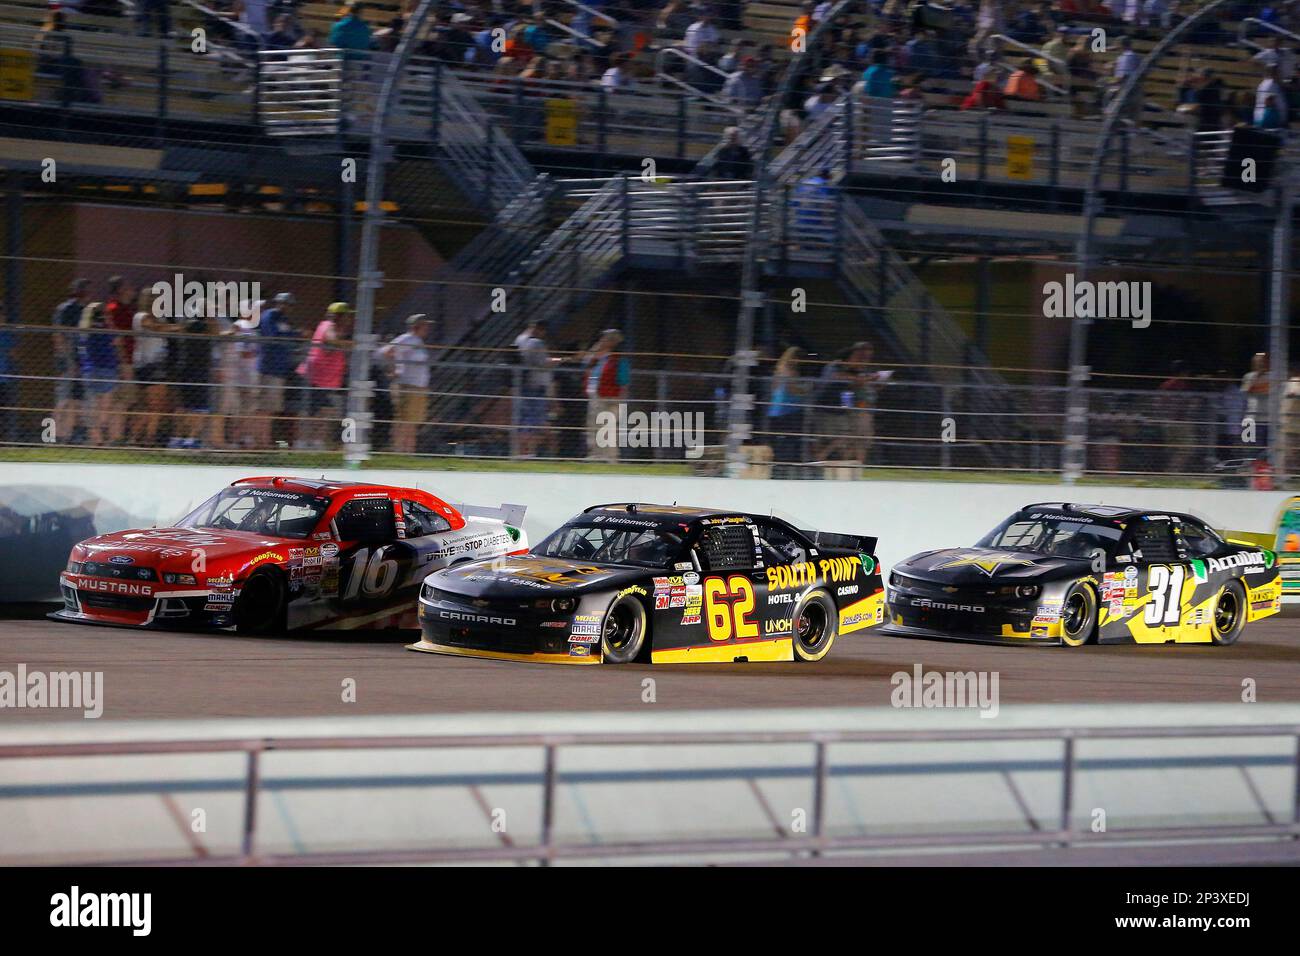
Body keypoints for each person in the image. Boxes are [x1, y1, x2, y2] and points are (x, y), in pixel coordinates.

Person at [297, 302, 352, 450]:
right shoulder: (328, 325)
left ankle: (316, 442)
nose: (349, 319)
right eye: (346, 316)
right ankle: (304, 442)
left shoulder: (335, 327)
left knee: (325, 411)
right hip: (318, 377)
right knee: (313, 412)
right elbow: (331, 339)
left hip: (328, 379)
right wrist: (352, 344)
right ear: (339, 316)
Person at [377, 313, 433, 454]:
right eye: (425, 325)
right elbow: (386, 352)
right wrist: (393, 369)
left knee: (412, 422)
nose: (428, 328)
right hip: (407, 386)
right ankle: (398, 451)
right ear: (417, 326)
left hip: (418, 387)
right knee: (404, 421)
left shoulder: (418, 341)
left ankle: (409, 452)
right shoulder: (407, 338)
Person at [256, 292, 301, 448]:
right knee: (264, 407)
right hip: (269, 367)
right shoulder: (270, 316)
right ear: (278, 303)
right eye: (285, 304)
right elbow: (274, 335)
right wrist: (295, 334)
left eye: (290, 305)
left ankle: (264, 440)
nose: (288, 307)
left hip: (279, 370)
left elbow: (289, 339)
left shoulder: (284, 320)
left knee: (271, 408)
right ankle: (260, 441)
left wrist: (293, 335)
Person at [129, 285, 170, 447]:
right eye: (153, 298)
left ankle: (146, 436)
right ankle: (143, 437)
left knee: (157, 405)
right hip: (147, 365)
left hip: (159, 363)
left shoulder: (161, 318)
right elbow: (154, 327)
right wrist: (177, 328)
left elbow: (162, 328)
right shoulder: (141, 316)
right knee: (151, 405)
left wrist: (170, 327)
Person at [52, 278, 90, 444]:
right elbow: (59, 336)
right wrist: (69, 360)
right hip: (69, 360)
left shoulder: (82, 310)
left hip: (79, 360)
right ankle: (55, 435)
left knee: (75, 400)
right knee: (64, 399)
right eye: (85, 290)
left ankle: (67, 435)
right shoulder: (67, 309)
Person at [77, 302, 120, 447]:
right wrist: (109, 321)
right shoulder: (106, 328)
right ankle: (99, 436)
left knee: (92, 406)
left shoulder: (85, 328)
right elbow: (116, 341)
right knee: (104, 406)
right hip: (107, 368)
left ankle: (96, 438)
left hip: (91, 369)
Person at [584, 328, 629, 462]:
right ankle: (595, 454)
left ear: (612, 341)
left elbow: (624, 381)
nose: (601, 340)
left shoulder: (618, 359)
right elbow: (586, 362)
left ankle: (610, 457)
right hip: (597, 395)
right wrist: (597, 349)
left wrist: (621, 399)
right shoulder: (600, 357)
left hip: (610, 397)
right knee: (594, 426)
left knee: (608, 427)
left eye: (605, 338)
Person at [514, 320, 558, 458]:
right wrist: (561, 360)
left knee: (525, 419)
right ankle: (529, 452)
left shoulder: (519, 340)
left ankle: (522, 451)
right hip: (535, 386)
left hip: (524, 385)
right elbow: (543, 364)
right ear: (540, 329)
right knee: (534, 421)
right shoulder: (535, 343)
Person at [767, 346, 808, 476]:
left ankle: (782, 465)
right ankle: (783, 466)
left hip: (781, 409)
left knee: (785, 440)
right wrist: (805, 390)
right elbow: (792, 389)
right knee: (787, 440)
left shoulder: (780, 369)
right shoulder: (787, 370)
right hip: (786, 410)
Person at [1242, 351, 1270, 457]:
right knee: (1250, 448)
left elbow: (1270, 391)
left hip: (1267, 419)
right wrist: (1257, 376)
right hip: (1250, 419)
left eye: (1262, 362)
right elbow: (1247, 390)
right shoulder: (1248, 377)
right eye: (1257, 362)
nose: (1260, 365)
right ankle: (1249, 468)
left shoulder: (1272, 376)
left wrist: (1261, 388)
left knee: (1266, 449)